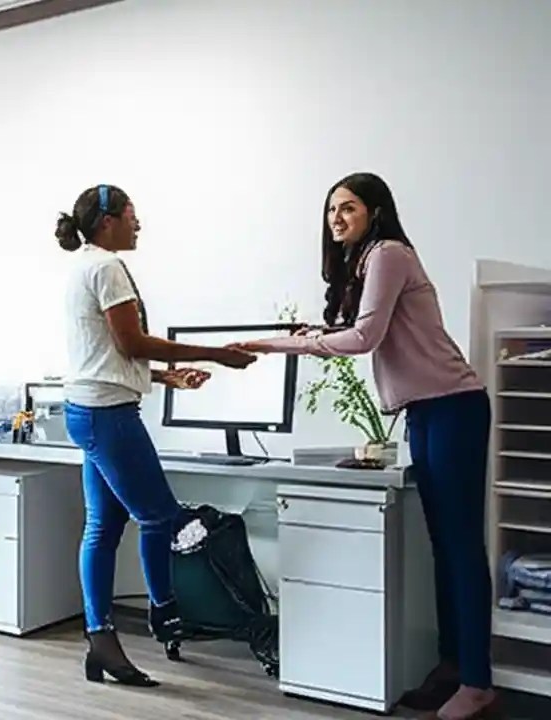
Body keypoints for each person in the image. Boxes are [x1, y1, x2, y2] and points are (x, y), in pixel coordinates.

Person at [231, 173, 494, 720]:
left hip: (454, 407)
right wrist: (305, 334)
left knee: (462, 547)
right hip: (425, 412)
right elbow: (361, 329)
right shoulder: (367, 262)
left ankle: (477, 681)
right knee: (443, 547)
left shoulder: (389, 253)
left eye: (348, 207)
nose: (337, 218)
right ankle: (452, 667)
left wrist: (273, 344)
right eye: (331, 210)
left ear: (375, 212)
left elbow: (362, 339)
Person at [54, 184, 256, 688]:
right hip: (109, 415)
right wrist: (216, 354)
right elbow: (132, 342)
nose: (138, 223)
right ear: (107, 221)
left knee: (103, 527)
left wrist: (166, 378)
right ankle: (165, 613)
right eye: (131, 215)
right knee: (160, 517)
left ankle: (101, 637)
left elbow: (106, 354)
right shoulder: (107, 267)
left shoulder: (83, 265)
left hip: (88, 409)